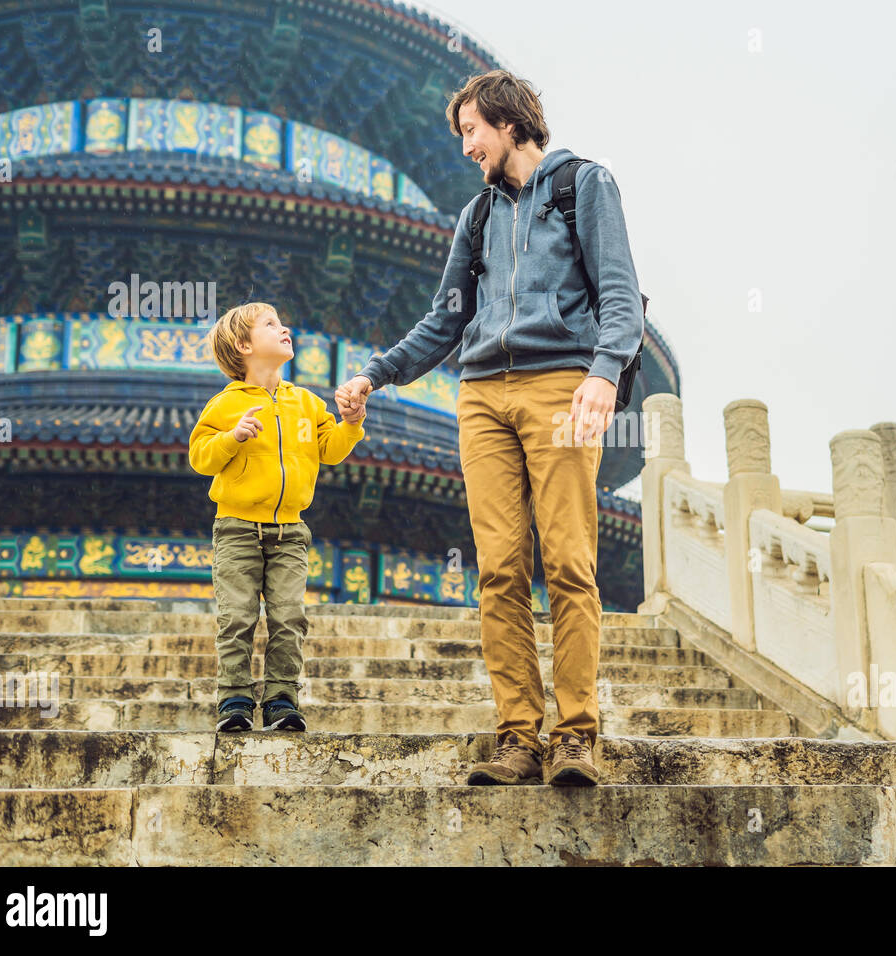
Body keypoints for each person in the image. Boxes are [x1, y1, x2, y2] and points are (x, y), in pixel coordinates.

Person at [334, 70, 644, 786]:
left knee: (568, 563)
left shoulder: (583, 186)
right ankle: (516, 737)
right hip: (480, 397)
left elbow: (621, 294)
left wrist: (601, 374)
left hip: (560, 387)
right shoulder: (473, 218)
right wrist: (374, 375)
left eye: (471, 130)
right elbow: (445, 319)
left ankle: (575, 736)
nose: (466, 146)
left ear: (508, 122)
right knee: (500, 570)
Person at [189, 301, 366, 732]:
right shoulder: (223, 405)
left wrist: (352, 422)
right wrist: (233, 438)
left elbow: (331, 449)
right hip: (235, 529)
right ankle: (233, 701)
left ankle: (282, 700)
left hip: (290, 531)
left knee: (289, 617)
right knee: (237, 617)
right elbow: (200, 457)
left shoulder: (306, 403)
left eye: (283, 322)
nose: (285, 328)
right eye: (271, 324)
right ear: (244, 345)